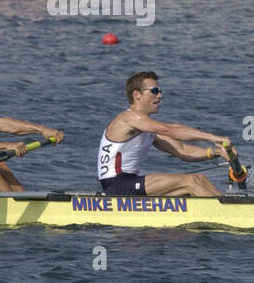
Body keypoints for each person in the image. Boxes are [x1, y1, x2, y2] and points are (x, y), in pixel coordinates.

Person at [97, 72, 232, 198]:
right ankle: (230, 214)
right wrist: (214, 138)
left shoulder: (146, 128)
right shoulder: (128, 118)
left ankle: (232, 208)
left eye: (160, 91)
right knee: (192, 181)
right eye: (154, 91)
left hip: (129, 182)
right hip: (117, 185)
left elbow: (182, 151)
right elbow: (170, 130)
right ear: (137, 94)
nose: (160, 95)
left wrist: (217, 152)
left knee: (200, 179)